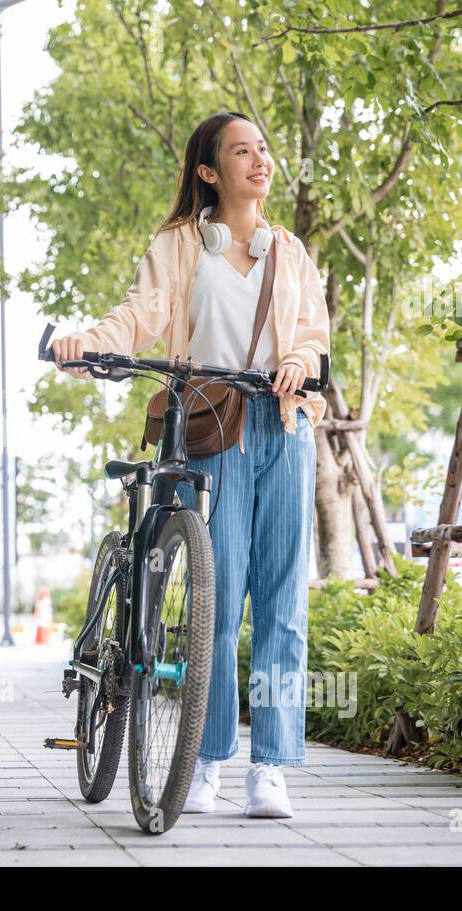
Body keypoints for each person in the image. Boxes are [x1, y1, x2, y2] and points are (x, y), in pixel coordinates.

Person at [51, 111, 330, 818]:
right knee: (219, 599)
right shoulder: (181, 245)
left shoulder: (289, 251)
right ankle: (203, 762)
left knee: (283, 606)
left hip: (286, 423)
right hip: (214, 422)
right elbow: (138, 313)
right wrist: (87, 340)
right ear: (209, 171)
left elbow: (315, 336)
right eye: (242, 152)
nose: (259, 161)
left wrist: (300, 359)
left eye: (262, 148)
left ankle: (271, 767)